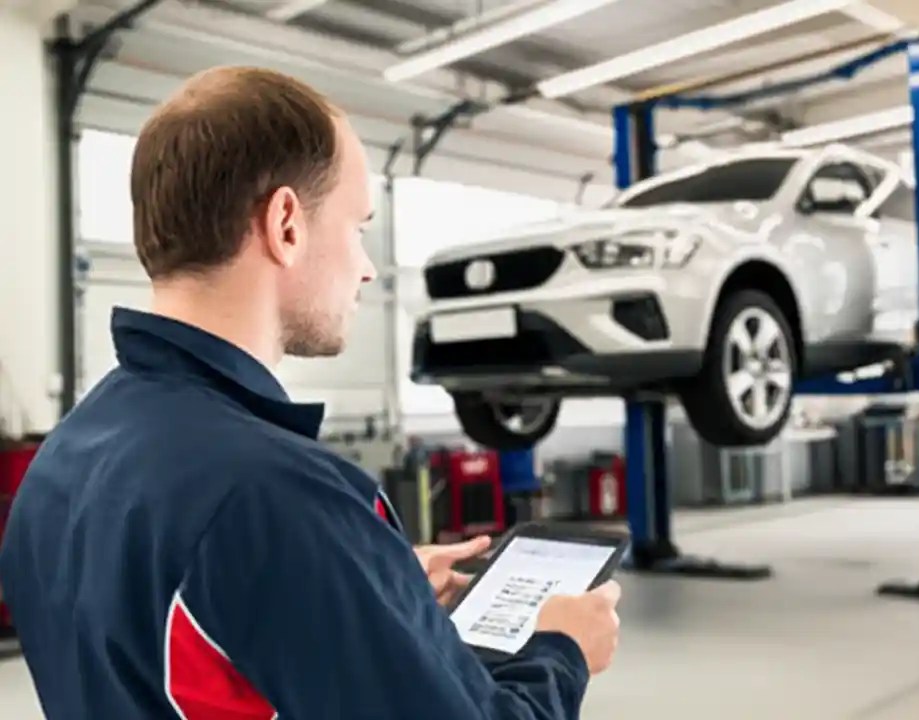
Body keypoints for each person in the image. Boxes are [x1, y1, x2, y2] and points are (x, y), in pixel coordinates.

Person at [0, 66, 621, 719]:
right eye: (358, 226)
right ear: (287, 224)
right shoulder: (275, 492)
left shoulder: (61, 463)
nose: (367, 266)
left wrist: (365, 579)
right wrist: (561, 650)